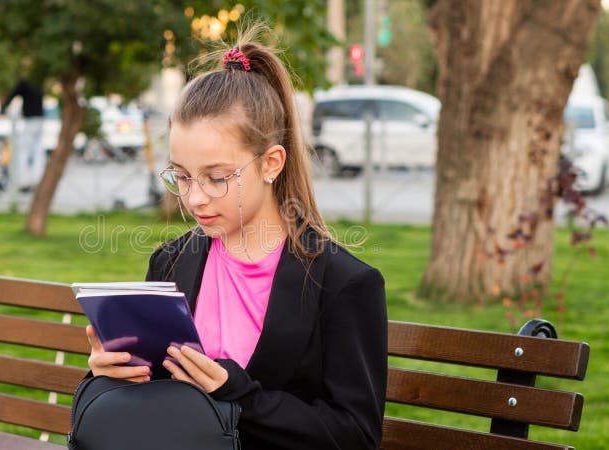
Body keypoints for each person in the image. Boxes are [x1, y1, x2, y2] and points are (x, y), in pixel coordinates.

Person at [84, 25, 388, 449]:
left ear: (271, 163)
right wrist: (110, 370)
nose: (194, 198)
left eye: (216, 178)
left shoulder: (342, 283)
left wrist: (239, 397)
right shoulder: (171, 261)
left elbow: (356, 435)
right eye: (182, 176)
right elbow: (150, 399)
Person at [0, 78, 45, 191]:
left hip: (30, 121)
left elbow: (13, 94)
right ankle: (36, 179)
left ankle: (23, 181)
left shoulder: (26, 82)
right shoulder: (39, 80)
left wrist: (2, 108)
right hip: (40, 120)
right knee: (38, 151)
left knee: (23, 151)